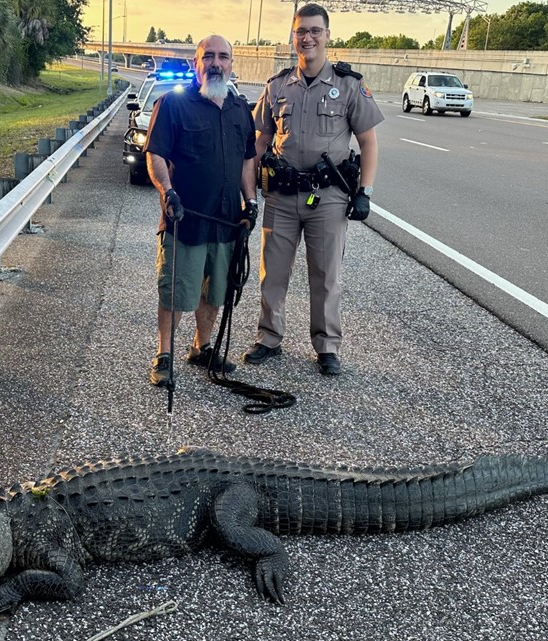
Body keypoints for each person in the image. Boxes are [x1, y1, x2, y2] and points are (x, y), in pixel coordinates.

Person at [244, 2, 383, 376]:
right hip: (282, 196)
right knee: (272, 272)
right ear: (292, 37)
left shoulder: (348, 85)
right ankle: (269, 338)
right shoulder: (277, 86)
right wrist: (247, 191)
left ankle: (326, 347)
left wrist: (364, 192)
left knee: (326, 274)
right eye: (301, 31)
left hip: (328, 198)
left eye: (315, 31)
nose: (307, 37)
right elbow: (259, 142)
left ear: (327, 36)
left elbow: (368, 142)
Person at [144, 34, 259, 387]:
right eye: (208, 56)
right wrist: (167, 191)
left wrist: (251, 202)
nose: (216, 63)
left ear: (231, 63)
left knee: (215, 290)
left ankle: (201, 346)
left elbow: (246, 160)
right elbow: (155, 154)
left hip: (225, 221)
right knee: (178, 290)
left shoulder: (241, 110)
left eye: (223, 56)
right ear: (196, 63)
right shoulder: (173, 105)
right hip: (186, 219)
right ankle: (164, 354)